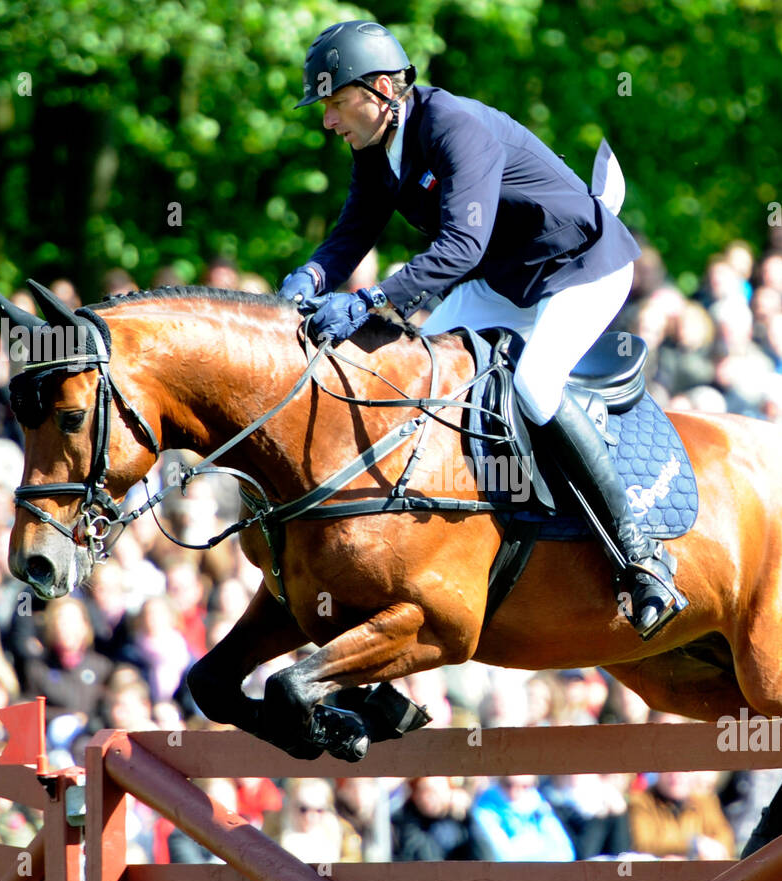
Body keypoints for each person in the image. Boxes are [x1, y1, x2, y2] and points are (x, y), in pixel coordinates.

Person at [278, 20, 686, 640]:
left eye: (335, 103)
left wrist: (370, 300)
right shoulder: (374, 144)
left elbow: (461, 245)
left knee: (535, 387)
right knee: (414, 372)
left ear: (383, 88)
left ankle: (639, 551)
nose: (328, 121)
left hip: (577, 269)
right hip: (500, 278)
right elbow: (354, 230)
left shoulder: (453, 126)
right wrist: (307, 278)